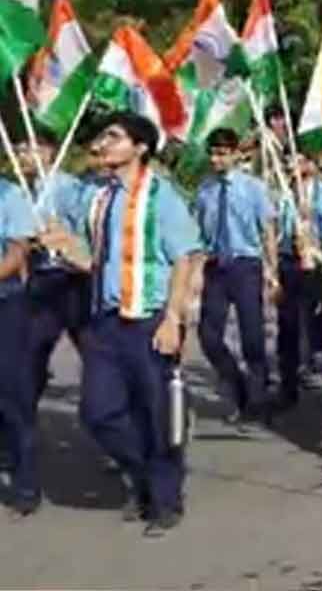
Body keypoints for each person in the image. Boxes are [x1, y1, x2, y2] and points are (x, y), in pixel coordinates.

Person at [40, 113, 201, 536]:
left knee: (155, 412)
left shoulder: (162, 197)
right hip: (106, 321)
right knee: (99, 412)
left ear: (140, 147)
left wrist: (173, 320)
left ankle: (165, 500)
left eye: (114, 137)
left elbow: (185, 257)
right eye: (103, 136)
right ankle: (144, 473)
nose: (103, 144)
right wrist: (65, 245)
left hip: (148, 320)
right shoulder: (100, 197)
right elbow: (94, 259)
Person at [193, 128, 279, 425]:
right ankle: (236, 381)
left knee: (252, 336)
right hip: (216, 266)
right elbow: (199, 232)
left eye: (222, 153)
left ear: (235, 154)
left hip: (246, 265)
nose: (217, 159)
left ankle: (259, 396)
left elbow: (267, 229)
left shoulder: (253, 187)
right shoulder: (205, 189)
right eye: (213, 153)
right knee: (208, 334)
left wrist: (272, 270)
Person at [19, 124, 91, 403]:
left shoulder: (69, 187)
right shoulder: (24, 191)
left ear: (48, 152)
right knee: (32, 349)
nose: (21, 154)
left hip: (73, 279)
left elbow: (86, 232)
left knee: (92, 349)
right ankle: (20, 419)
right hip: (41, 278)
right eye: (18, 148)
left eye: (28, 148)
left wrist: (62, 237)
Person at [275, 151, 322, 408]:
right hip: (288, 260)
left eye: (299, 160)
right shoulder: (281, 191)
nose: (293, 166)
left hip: (315, 263)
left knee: (313, 318)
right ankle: (288, 380)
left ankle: (312, 359)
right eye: (289, 161)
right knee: (287, 322)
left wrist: (311, 223)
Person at [0, 171, 39, 517]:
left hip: (5, 303)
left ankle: (26, 482)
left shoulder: (10, 196)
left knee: (12, 395)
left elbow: (16, 253)